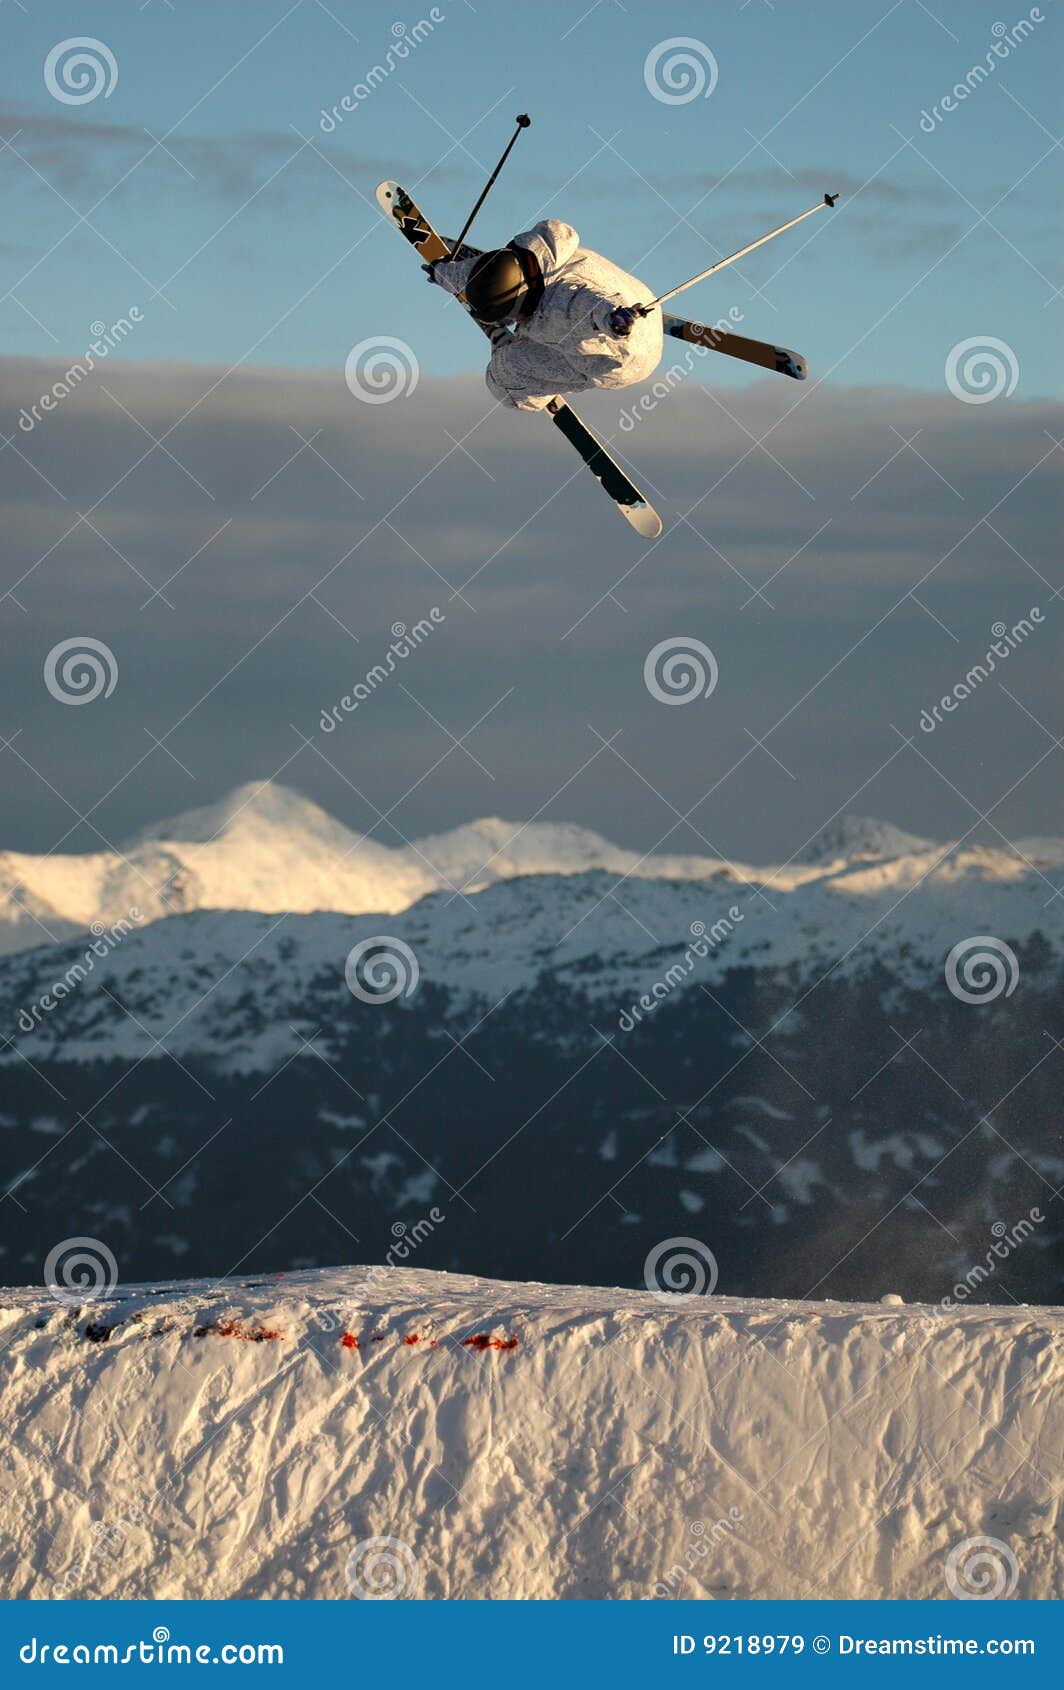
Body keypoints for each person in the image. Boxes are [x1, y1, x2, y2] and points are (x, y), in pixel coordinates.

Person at [426, 220, 663, 412]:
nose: (514, 322)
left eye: (510, 317)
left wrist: (613, 320)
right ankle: (539, 342)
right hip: (640, 297)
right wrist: (442, 272)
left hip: (629, 359)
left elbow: (590, 303)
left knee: (503, 380)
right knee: (525, 304)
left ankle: (525, 373)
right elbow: (470, 278)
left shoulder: (562, 306)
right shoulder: (537, 248)